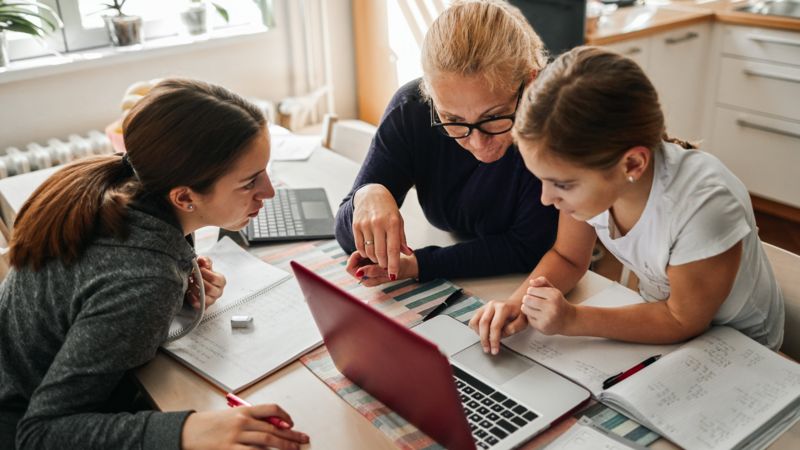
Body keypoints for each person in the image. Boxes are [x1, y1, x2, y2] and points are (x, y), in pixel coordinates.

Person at [0, 79, 310, 449]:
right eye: (248, 183)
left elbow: (94, 286)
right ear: (184, 197)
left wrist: (178, 280)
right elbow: (39, 435)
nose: (269, 192)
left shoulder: (124, 186)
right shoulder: (145, 277)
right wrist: (188, 431)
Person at [470, 46, 785, 354]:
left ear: (633, 164)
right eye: (541, 179)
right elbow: (567, 256)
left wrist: (573, 319)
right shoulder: (596, 182)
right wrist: (517, 306)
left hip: (742, 348)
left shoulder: (703, 205)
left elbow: (682, 319)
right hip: (662, 318)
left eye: (561, 185)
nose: (545, 198)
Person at [335, 0, 558, 286]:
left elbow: (527, 247)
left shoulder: (550, 123)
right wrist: (367, 194)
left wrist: (419, 265)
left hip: (537, 282)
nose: (477, 142)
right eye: (452, 119)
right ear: (428, 93)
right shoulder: (411, 110)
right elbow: (345, 236)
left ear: (530, 82)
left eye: (494, 117)